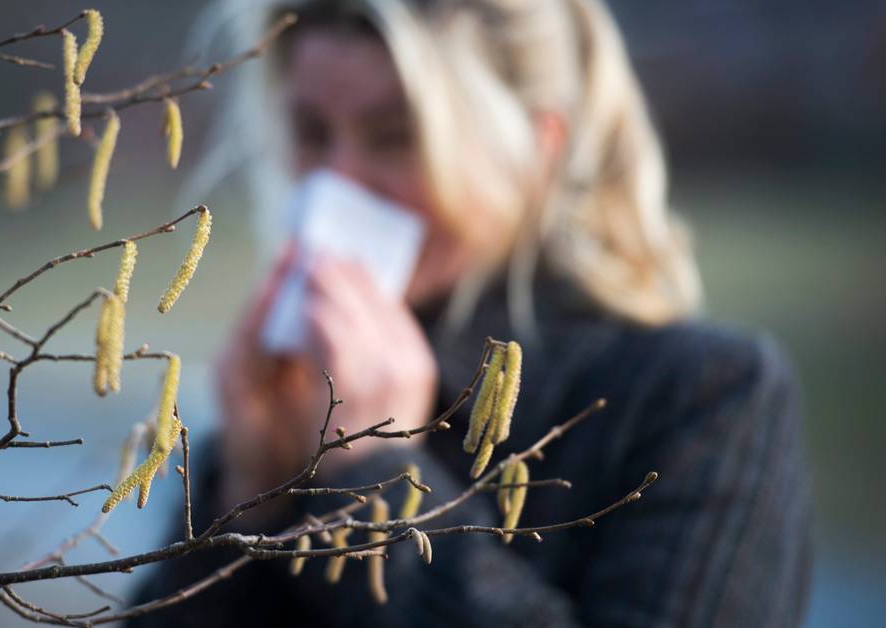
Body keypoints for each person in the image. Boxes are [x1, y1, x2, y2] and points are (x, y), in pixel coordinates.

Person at [128, 0, 812, 626]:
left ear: (535, 148)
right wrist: (244, 498)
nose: (339, 181)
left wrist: (376, 479)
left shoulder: (700, 401)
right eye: (311, 133)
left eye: (394, 136)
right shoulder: (296, 398)